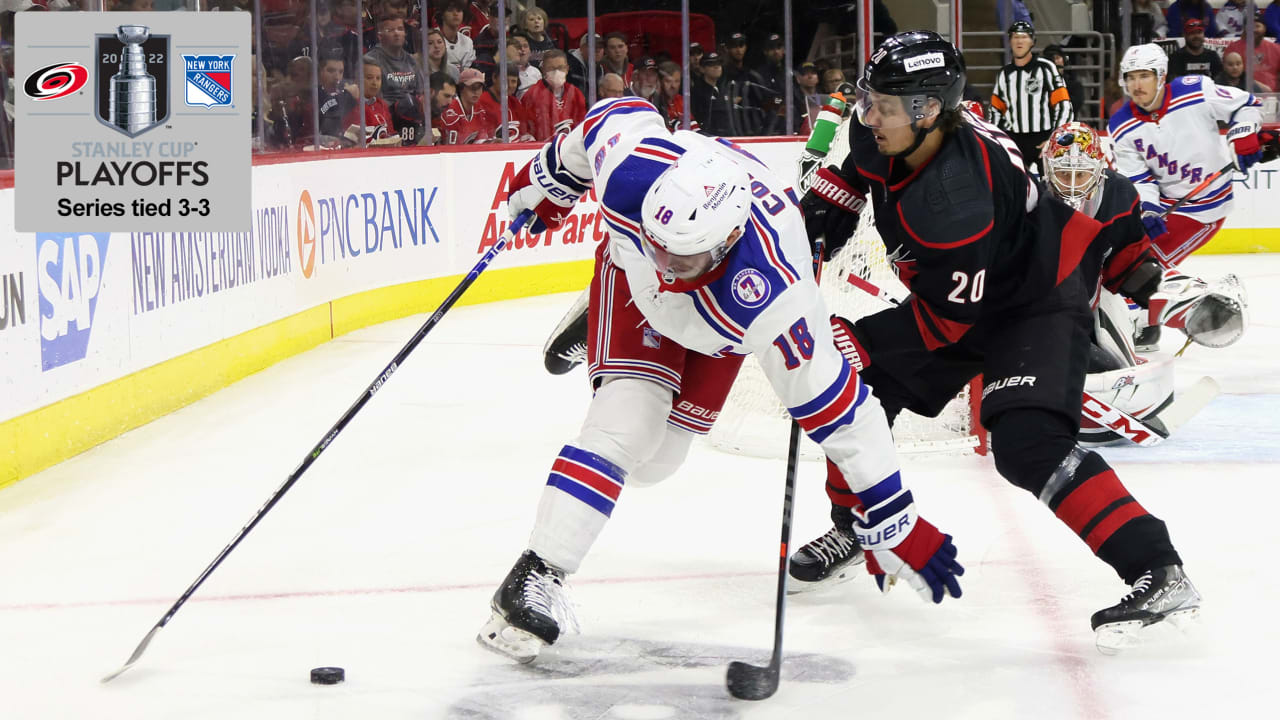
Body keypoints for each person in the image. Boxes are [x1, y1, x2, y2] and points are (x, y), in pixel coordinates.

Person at [478, 94, 964, 663]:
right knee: (627, 427)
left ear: (728, 243)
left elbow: (846, 415)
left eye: (681, 259)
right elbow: (612, 115)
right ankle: (534, 576)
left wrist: (896, 519)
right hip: (632, 287)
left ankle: (607, 325)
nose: (665, 268)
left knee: (656, 464)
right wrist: (551, 177)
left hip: (719, 326)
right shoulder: (633, 175)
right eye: (659, 248)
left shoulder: (773, 300)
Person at [794, 31, 1199, 651]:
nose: (868, 116)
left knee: (1027, 444)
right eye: (869, 100)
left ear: (929, 111)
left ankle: (1158, 569)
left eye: (883, 106)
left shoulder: (956, 201)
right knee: (860, 392)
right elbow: (855, 170)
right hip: (974, 287)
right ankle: (855, 526)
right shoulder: (893, 128)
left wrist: (859, 338)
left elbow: (948, 323)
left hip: (1038, 297)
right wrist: (829, 208)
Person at [1037, 121, 1247, 439]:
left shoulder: (1117, 195)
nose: (1072, 185)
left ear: (1099, 170)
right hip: (1032, 313)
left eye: (1081, 175)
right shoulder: (1028, 200)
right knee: (1083, 364)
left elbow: (1127, 262)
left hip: (1086, 304)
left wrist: (1172, 298)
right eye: (1064, 174)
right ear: (1048, 169)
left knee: (1112, 370)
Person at [1108, 43, 1265, 349]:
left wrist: (1243, 133)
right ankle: (1147, 321)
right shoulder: (1121, 124)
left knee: (1142, 265)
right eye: (1131, 77)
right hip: (1166, 203)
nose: (1137, 85)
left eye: (1144, 75)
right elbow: (1139, 177)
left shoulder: (1194, 91)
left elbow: (1246, 104)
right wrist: (1148, 210)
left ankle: (1148, 324)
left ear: (1161, 76)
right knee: (1123, 254)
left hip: (1204, 206)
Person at [990, 21, 1073, 171]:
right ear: (1010, 41)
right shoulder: (1004, 73)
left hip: (1043, 136)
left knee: (1051, 182)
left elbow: (1063, 105)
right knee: (1014, 184)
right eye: (1015, 37)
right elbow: (995, 111)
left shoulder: (1046, 68)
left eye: (1024, 37)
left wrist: (1054, 139)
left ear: (1033, 42)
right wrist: (996, 142)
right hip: (1014, 140)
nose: (1019, 41)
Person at [367, 14, 428, 142]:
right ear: (380, 36)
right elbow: (373, 98)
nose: (396, 33)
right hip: (386, 119)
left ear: (405, 33)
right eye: (390, 30)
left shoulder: (412, 61)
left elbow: (421, 94)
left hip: (413, 119)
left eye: (400, 29)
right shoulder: (371, 61)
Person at [520, 49, 587, 141]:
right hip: (542, 146)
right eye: (551, 68)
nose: (556, 72)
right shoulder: (532, 95)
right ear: (543, 70)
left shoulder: (576, 93)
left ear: (567, 69)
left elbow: (582, 125)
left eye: (560, 68)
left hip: (570, 145)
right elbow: (526, 129)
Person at [342, 58, 398, 146]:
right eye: (369, 78)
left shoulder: (382, 105)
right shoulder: (350, 104)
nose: (375, 83)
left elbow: (391, 134)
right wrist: (357, 100)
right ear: (357, 80)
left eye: (378, 78)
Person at [434, 67, 494, 144]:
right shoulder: (451, 112)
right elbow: (452, 147)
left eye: (479, 87)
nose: (476, 92)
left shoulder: (480, 109)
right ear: (461, 88)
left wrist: (491, 142)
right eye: (472, 87)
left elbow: (481, 137)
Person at [1224, 12, 1280, 92]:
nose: (1253, 30)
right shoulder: (1233, 48)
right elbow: (1227, 76)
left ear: (1264, 28)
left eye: (1257, 26)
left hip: (1272, 96)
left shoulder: (1276, 49)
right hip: (1243, 95)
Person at [478, 64, 535, 142]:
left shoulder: (515, 102)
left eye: (513, 81)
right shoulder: (481, 101)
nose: (510, 85)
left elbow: (524, 131)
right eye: (505, 81)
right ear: (494, 78)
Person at [439, 0, 476, 75]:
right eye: (450, 10)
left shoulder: (468, 42)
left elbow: (469, 72)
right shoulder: (433, 39)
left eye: (459, 10)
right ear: (442, 14)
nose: (455, 14)